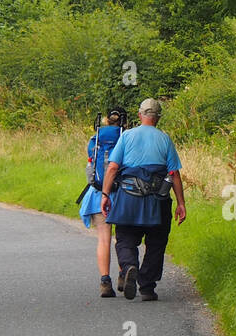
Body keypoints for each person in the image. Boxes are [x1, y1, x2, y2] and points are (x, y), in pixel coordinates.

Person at [101, 98, 185, 300]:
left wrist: (105, 195)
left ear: (140, 116)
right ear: (158, 118)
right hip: (158, 200)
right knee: (156, 242)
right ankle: (147, 287)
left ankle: (129, 266)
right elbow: (173, 173)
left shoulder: (127, 136)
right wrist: (181, 203)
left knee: (125, 239)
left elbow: (112, 167)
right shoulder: (165, 139)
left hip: (129, 198)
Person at [79, 109, 124, 298]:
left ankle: (105, 281)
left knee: (104, 239)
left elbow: (90, 164)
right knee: (124, 239)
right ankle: (124, 273)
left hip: (98, 194)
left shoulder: (94, 140)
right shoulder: (125, 138)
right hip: (121, 195)